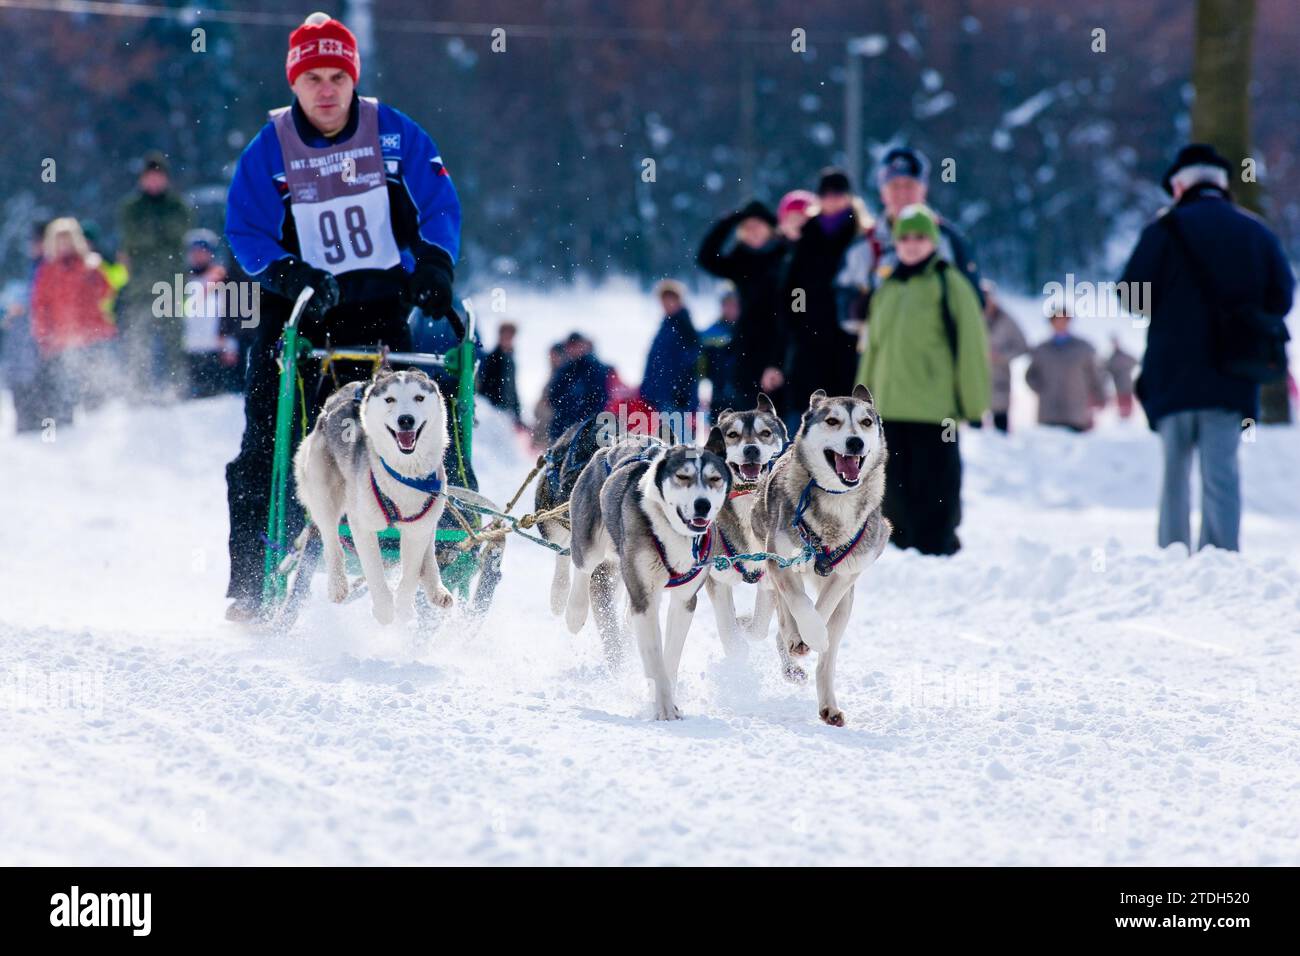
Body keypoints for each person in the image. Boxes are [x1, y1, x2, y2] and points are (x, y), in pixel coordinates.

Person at [222, 12, 462, 620]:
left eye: (337, 76)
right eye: (312, 78)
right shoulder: (269, 148)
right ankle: (251, 586)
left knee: (413, 434)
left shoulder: (394, 133)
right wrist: (290, 274)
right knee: (265, 447)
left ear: (353, 78)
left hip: (381, 313)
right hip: (297, 316)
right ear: (294, 84)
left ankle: (437, 553)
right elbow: (245, 230)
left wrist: (435, 266)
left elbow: (438, 203)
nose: (326, 90)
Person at [1118, 143, 1294, 552]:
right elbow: (1282, 297)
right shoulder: (1255, 231)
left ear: (1179, 186)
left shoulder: (1162, 231)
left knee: (1174, 471)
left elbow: (1131, 296)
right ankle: (1219, 556)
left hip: (1172, 372)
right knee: (1222, 472)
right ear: (1223, 185)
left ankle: (1173, 553)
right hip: (1232, 371)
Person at [855, 204, 989, 556]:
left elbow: (972, 347)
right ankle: (899, 548)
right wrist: (861, 405)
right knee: (893, 490)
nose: (912, 244)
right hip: (890, 408)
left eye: (920, 237)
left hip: (936, 409)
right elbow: (874, 348)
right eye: (905, 238)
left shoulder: (951, 284)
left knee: (937, 487)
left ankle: (938, 548)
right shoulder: (886, 286)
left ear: (933, 242)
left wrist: (974, 403)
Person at [844, 146, 982, 307]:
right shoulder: (863, 247)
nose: (902, 194)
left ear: (924, 189)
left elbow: (974, 302)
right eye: (895, 186)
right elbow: (843, 300)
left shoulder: (950, 242)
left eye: (910, 185)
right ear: (882, 193)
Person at [782, 168, 862, 429]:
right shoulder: (807, 234)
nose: (832, 199)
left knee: (845, 414)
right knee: (808, 414)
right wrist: (795, 323)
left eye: (838, 193)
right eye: (825, 193)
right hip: (809, 338)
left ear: (848, 197)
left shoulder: (860, 233)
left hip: (849, 337)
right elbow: (790, 287)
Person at [696, 199, 789, 412]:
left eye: (758, 225)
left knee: (778, 424)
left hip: (778, 350)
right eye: (747, 227)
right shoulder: (741, 259)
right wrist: (729, 221)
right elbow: (706, 258)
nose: (753, 231)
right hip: (746, 352)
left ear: (770, 228)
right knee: (747, 422)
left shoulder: (785, 256)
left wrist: (778, 362)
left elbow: (792, 315)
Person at [117, 150, 193, 400]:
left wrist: (153, 232)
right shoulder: (131, 207)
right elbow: (134, 237)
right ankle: (138, 390)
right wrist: (158, 232)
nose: (154, 181)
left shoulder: (176, 205)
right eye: (150, 177)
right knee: (139, 340)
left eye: (158, 176)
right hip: (140, 286)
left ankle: (176, 387)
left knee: (173, 339)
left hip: (170, 283)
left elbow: (179, 232)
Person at [29, 218, 117, 423]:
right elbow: (40, 306)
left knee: (95, 385)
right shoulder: (47, 270)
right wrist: (43, 335)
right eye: (59, 241)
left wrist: (95, 273)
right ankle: (67, 430)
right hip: (62, 339)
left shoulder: (90, 264)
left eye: (68, 240)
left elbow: (106, 292)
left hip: (92, 334)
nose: (64, 245)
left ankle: (100, 425)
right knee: (66, 387)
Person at [0, 221, 50, 432]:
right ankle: (25, 424)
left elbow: (43, 299)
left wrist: (24, 310)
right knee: (20, 375)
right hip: (27, 334)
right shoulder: (34, 265)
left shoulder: (48, 265)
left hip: (42, 334)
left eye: (37, 241)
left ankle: (36, 424)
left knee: (35, 379)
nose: (33, 246)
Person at [180, 230, 241, 398]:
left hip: (215, 349)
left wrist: (230, 345)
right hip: (190, 350)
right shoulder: (182, 280)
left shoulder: (221, 279)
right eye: (195, 252)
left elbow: (231, 314)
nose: (198, 256)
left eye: (202, 251)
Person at [640, 280, 701, 440]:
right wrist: (648, 389)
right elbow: (656, 361)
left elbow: (692, 363)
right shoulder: (667, 325)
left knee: (682, 444)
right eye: (664, 300)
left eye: (670, 299)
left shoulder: (683, 325)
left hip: (677, 397)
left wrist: (683, 391)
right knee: (667, 443)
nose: (666, 304)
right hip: (663, 394)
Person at [1025, 311, 1106, 432]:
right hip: (1049, 412)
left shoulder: (1083, 348)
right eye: (1056, 321)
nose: (1060, 324)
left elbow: (1096, 375)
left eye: (1064, 320)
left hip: (1076, 413)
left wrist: (1100, 397)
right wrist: (1042, 389)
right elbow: (1030, 375)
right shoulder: (1042, 349)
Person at [979, 279, 1028, 432]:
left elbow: (1022, 346)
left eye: (988, 297)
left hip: (1000, 383)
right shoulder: (969, 317)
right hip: (975, 381)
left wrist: (1001, 356)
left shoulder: (1006, 320)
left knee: (1000, 426)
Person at [546, 332, 610, 441]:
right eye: (571, 346)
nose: (574, 349)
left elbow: (600, 398)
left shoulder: (595, 368)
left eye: (576, 345)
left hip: (588, 428)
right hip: (564, 428)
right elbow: (553, 397)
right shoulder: (564, 369)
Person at [700, 288, 742, 412]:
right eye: (727, 305)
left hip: (743, 393)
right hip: (718, 392)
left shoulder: (746, 331)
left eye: (734, 305)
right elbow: (699, 363)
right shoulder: (711, 332)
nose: (730, 309)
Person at [478, 321, 522, 422]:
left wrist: (517, 412)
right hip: (493, 410)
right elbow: (485, 385)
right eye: (506, 336)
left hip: (507, 411)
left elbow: (512, 387)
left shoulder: (510, 359)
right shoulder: (492, 358)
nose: (508, 339)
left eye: (510, 337)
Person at [1105, 337, 1139, 420]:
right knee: (1121, 401)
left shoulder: (1125, 355)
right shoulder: (1111, 358)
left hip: (1128, 383)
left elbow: (1135, 362)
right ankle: (1123, 416)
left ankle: (1129, 415)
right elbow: (1106, 370)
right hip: (1118, 385)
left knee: (1128, 400)